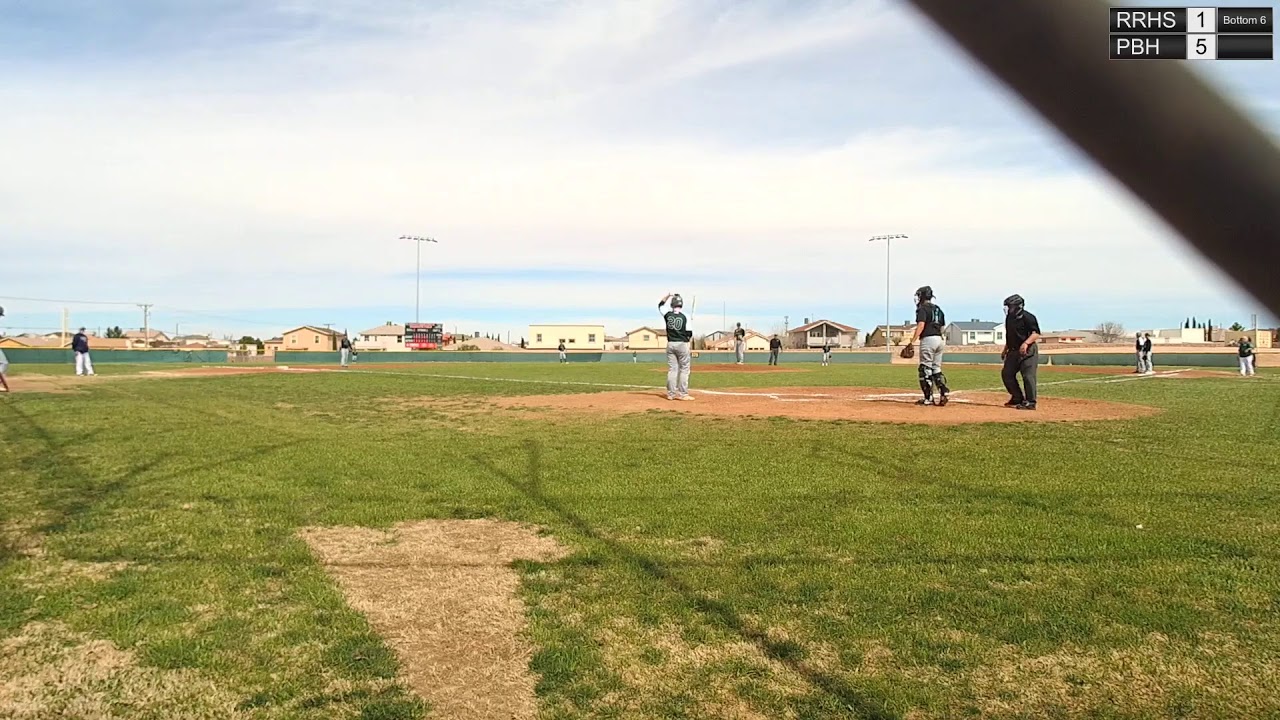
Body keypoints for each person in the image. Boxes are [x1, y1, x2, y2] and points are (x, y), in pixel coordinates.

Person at [906, 285, 950, 406]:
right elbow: (942, 327)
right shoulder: (938, 309)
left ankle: (928, 398)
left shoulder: (922, 309)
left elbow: (921, 325)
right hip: (939, 339)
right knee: (936, 368)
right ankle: (944, 392)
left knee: (925, 368)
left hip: (928, 339)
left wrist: (913, 340)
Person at [1001, 294, 1041, 410]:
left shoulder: (1028, 317)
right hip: (1013, 350)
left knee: (1028, 376)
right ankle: (1017, 397)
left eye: (1010, 306)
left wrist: (1026, 343)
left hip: (1027, 351)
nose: (1008, 309)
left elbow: (1036, 333)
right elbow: (1010, 335)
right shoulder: (1009, 318)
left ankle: (1030, 402)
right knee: (1007, 374)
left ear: (1018, 306)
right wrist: (1005, 349)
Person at [660, 292, 694, 400]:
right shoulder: (685, 317)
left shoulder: (667, 314)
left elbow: (660, 305)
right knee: (684, 369)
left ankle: (671, 394)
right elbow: (689, 333)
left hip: (670, 344)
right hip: (682, 343)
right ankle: (683, 394)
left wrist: (668, 295)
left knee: (672, 369)